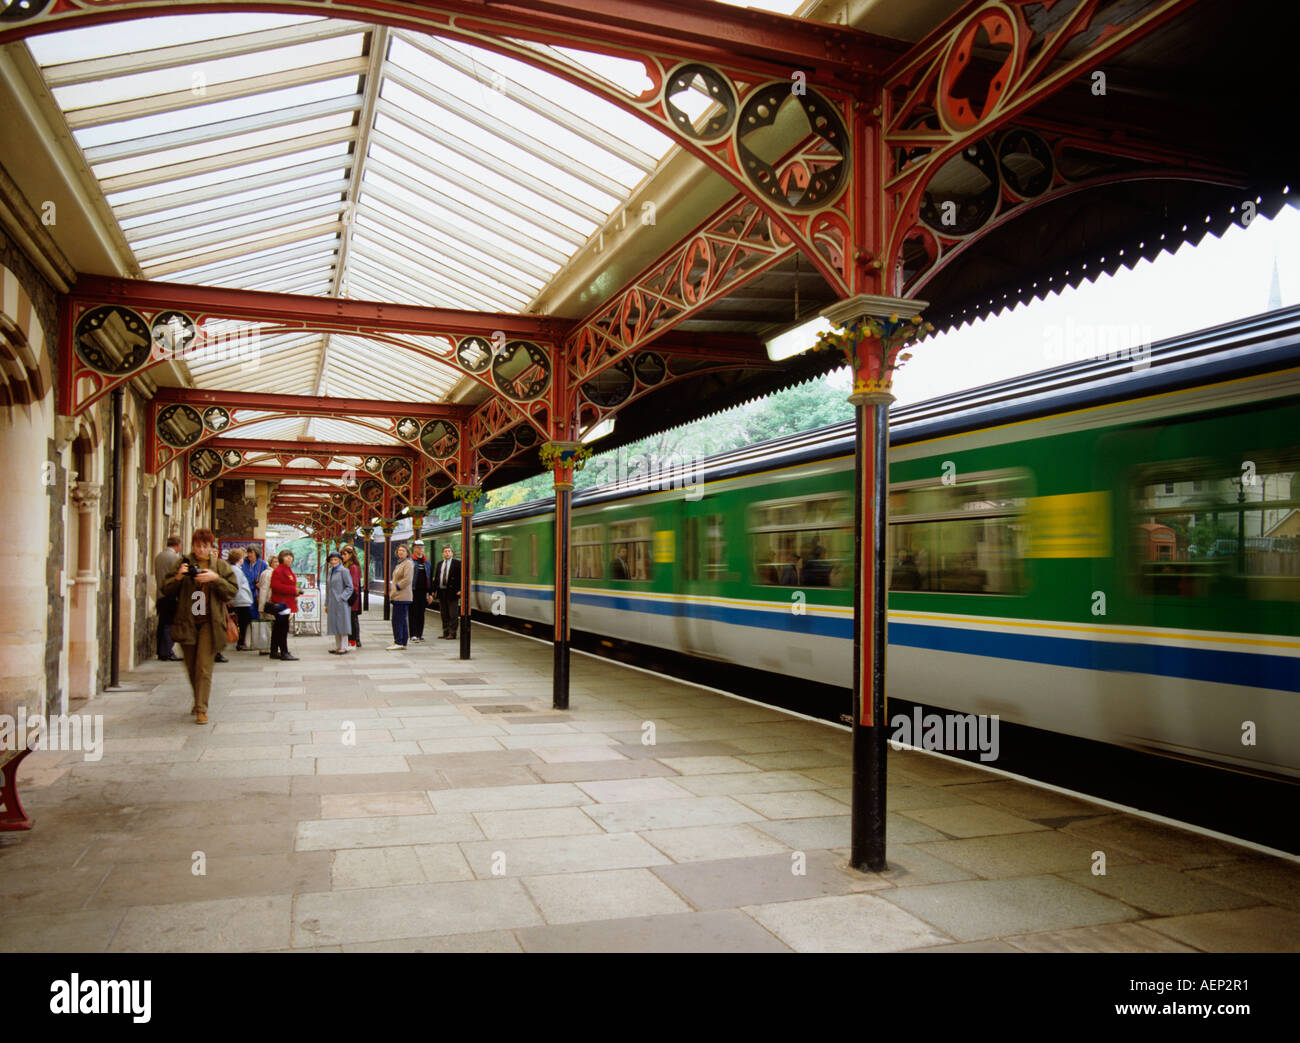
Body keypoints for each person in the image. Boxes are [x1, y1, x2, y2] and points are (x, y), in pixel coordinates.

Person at [161, 528, 237, 725]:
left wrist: (215, 579)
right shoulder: (182, 563)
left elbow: (231, 592)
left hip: (209, 624)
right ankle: (198, 700)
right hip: (187, 621)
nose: (201, 550)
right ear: (192, 546)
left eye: (205, 546)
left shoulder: (219, 565)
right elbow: (166, 589)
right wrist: (179, 577)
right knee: (191, 667)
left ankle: (202, 708)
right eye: (197, 546)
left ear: (211, 547)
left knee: (204, 667)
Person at [268, 549, 300, 661]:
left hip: (287, 602)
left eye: (290, 556)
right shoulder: (279, 570)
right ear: (281, 558)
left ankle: (274, 650)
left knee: (278, 627)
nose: (289, 558)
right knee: (282, 628)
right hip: (282, 603)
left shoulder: (287, 570)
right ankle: (284, 652)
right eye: (286, 556)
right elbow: (275, 586)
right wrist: (293, 590)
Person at [154, 535, 182, 661]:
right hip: (170, 595)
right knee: (169, 624)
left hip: (160, 595)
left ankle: (161, 650)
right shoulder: (175, 558)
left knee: (162, 624)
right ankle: (167, 651)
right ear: (178, 545)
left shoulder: (159, 557)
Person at [324, 550, 354, 655]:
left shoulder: (344, 571)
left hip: (341, 602)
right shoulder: (330, 571)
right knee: (334, 624)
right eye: (332, 559)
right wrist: (326, 603)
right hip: (332, 602)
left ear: (340, 560)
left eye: (336, 559)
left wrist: (342, 597)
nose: (333, 561)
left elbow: (350, 587)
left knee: (343, 624)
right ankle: (338, 646)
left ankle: (344, 647)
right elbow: (328, 589)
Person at [227, 547, 254, 649]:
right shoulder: (236, 570)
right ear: (239, 559)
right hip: (241, 600)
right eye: (242, 558)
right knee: (243, 622)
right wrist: (231, 599)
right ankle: (241, 642)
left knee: (243, 621)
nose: (243, 559)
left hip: (241, 599)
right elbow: (236, 585)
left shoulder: (235, 569)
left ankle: (241, 641)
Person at [240, 545, 268, 644]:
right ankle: (244, 641)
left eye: (251, 552)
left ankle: (256, 640)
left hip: (256, 594)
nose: (249, 554)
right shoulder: (244, 563)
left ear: (256, 553)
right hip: (244, 594)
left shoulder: (263, 564)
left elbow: (266, 579)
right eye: (248, 552)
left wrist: (260, 584)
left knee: (255, 616)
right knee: (245, 618)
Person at [387, 543, 413, 650]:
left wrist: (397, 587)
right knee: (401, 620)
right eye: (399, 550)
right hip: (397, 596)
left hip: (402, 596)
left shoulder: (408, 564)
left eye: (403, 550)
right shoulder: (399, 564)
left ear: (407, 553)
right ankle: (402, 642)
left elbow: (408, 579)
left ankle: (399, 641)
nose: (401, 552)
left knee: (397, 620)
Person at [433, 543, 462, 640]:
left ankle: (452, 633)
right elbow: (437, 578)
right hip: (442, 592)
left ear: (452, 553)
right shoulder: (440, 564)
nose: (447, 553)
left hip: (453, 592)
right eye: (445, 552)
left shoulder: (458, 564)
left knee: (453, 614)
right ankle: (445, 632)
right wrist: (433, 591)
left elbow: (462, 578)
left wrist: (461, 590)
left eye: (449, 551)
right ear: (442, 554)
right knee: (444, 613)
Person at [340, 544, 363, 648]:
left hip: (351, 597)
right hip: (349, 596)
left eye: (344, 554)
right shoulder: (345, 566)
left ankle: (354, 640)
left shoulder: (352, 567)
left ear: (350, 555)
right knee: (351, 618)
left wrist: (346, 596)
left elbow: (353, 585)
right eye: (342, 554)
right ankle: (353, 639)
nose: (342, 556)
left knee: (352, 618)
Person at [409, 541, 431, 642]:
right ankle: (413, 633)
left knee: (421, 613)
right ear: (414, 549)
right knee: (413, 612)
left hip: (423, 591)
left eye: (421, 547)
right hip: (413, 590)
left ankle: (420, 633)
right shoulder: (411, 561)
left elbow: (429, 578)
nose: (420, 549)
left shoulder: (427, 562)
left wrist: (430, 593)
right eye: (418, 547)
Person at [255, 557, 275, 655]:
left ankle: (265, 647)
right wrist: (262, 606)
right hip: (268, 603)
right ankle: (266, 647)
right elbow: (264, 590)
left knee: (266, 625)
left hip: (268, 603)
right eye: (275, 561)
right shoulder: (269, 573)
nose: (277, 563)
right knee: (268, 625)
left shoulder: (268, 572)